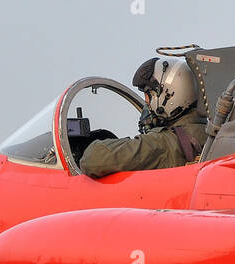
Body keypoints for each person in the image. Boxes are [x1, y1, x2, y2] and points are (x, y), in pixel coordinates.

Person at [79, 57, 207, 178]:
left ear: (170, 95)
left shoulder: (163, 143)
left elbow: (93, 159)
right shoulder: (210, 134)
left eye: (149, 96)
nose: (147, 105)